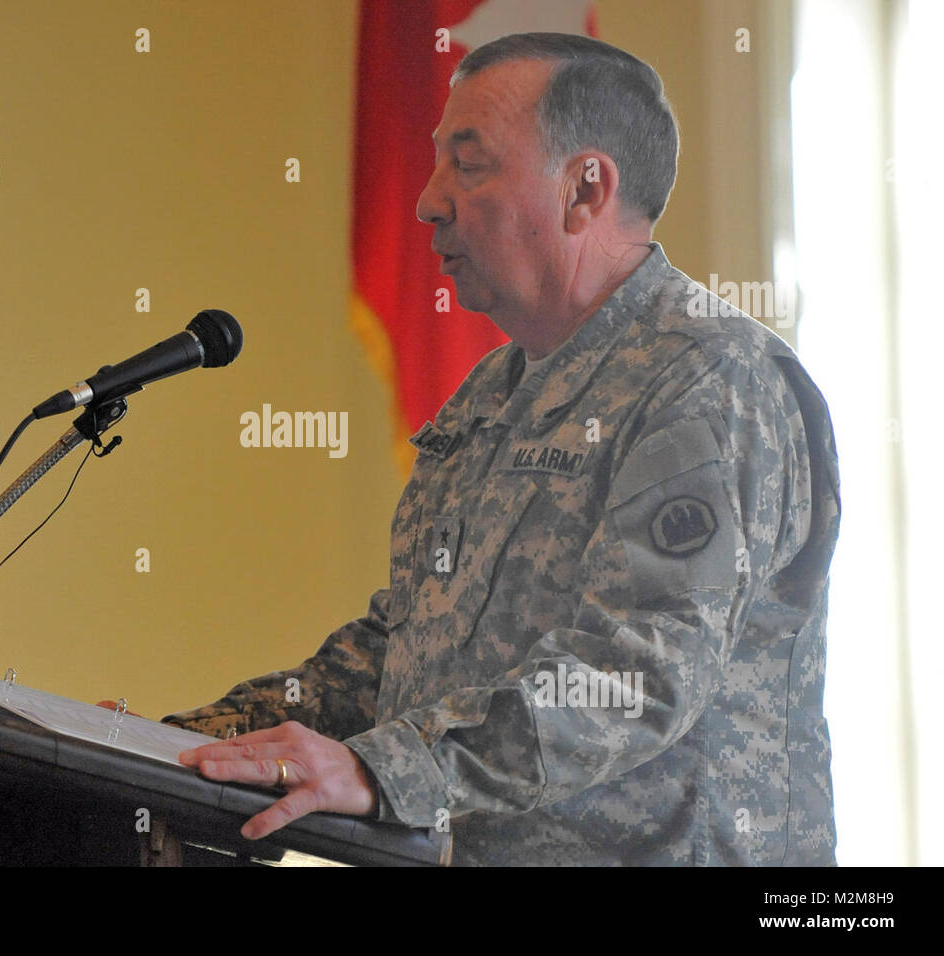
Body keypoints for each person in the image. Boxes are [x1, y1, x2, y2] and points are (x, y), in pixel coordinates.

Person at [165, 33, 841, 866]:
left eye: (469, 164)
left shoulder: (711, 380)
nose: (427, 202)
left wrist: (382, 769)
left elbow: (635, 673)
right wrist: (184, 744)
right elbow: (404, 651)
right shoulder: (493, 391)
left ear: (584, 189)